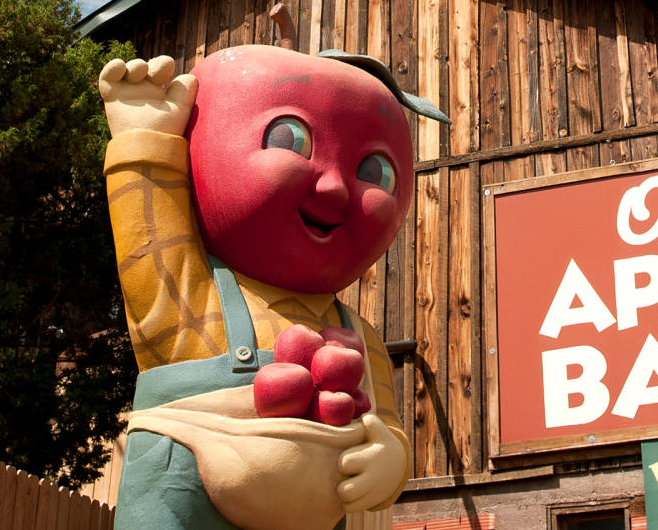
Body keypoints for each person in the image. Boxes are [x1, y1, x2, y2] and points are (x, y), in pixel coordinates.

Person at [98, 45, 447, 530]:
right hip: (183, 493)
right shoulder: (198, 291)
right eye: (290, 139)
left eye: (374, 172)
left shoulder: (360, 337)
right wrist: (143, 138)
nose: (335, 189)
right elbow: (148, 238)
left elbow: (384, 425)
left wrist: (390, 459)